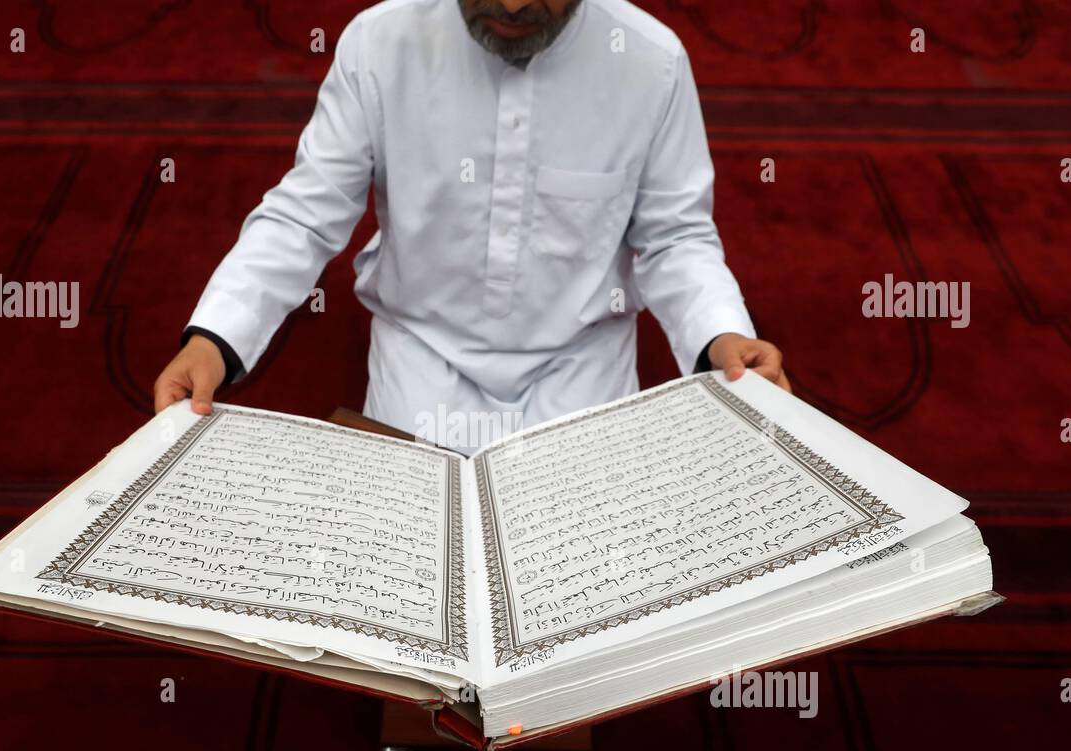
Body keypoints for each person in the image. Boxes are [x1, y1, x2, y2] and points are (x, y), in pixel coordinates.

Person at [154, 0, 789, 453]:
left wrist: (722, 337)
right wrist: (214, 339)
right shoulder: (379, 45)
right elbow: (304, 215)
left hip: (582, 368)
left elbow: (674, 236)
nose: (513, 6)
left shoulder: (651, 61)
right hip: (421, 358)